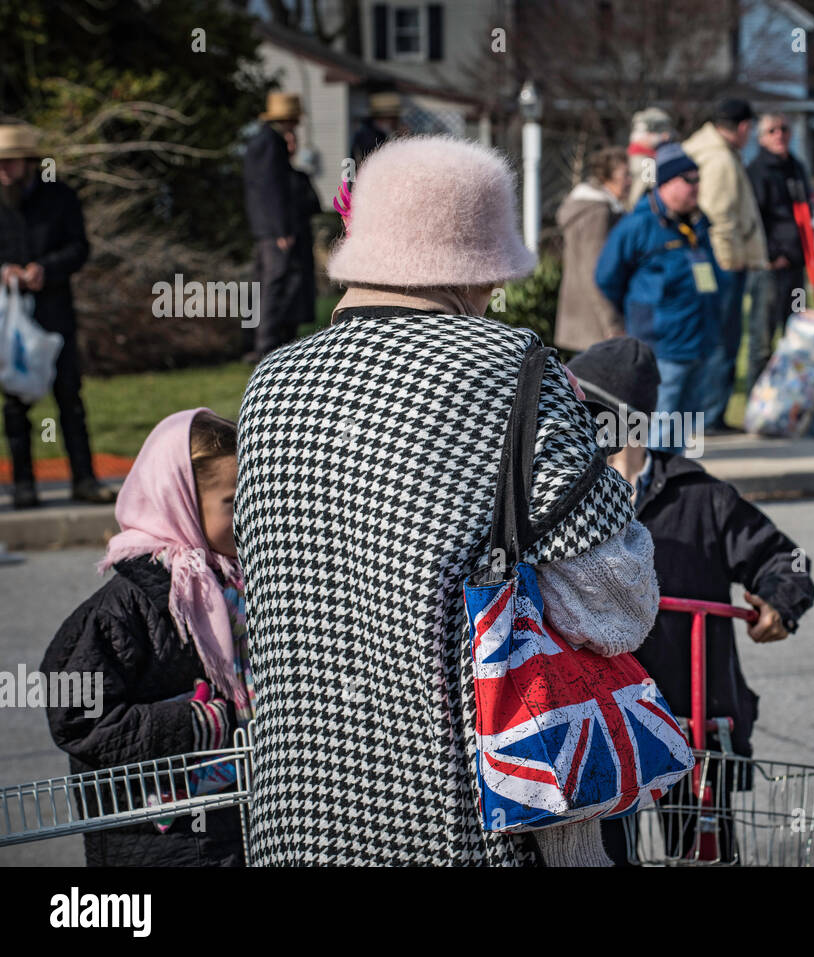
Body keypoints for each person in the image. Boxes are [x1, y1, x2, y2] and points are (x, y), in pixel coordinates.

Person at [236, 135, 657, 866]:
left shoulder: (270, 384)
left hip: (294, 819)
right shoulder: (510, 367)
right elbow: (618, 602)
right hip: (467, 812)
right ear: (482, 262)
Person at [563, 337, 814, 864]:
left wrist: (778, 600)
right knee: (608, 854)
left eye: (581, 413)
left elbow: (786, 559)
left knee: (703, 854)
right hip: (602, 722)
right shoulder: (564, 502)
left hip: (694, 720)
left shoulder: (701, 497)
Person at [41, 409, 249, 866]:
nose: (251, 517)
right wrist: (198, 722)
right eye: (234, 503)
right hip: (158, 843)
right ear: (179, 502)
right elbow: (78, 718)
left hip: (236, 828)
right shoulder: (124, 607)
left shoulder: (236, 585)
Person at [0, 122, 115, 509]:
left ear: (29, 162)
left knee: (69, 396)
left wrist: (45, 269)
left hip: (55, 311)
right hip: (10, 320)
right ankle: (24, 485)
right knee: (15, 404)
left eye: (10, 162)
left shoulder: (59, 197)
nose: (3, 170)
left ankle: (83, 479)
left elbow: (79, 248)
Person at [595, 142, 720, 456]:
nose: (697, 186)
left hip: (698, 343)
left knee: (686, 434)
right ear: (666, 183)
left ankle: (673, 496)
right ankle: (650, 497)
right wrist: (639, 317)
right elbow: (607, 278)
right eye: (688, 180)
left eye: (698, 178)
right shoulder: (638, 226)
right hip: (662, 347)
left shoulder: (697, 224)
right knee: (660, 432)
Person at [683, 99, 768, 435]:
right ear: (744, 127)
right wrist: (729, 264)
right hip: (723, 265)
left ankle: (708, 412)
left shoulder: (707, 150)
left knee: (716, 337)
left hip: (712, 265)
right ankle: (711, 414)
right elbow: (719, 218)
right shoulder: (719, 160)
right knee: (723, 339)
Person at [746, 111, 814, 391]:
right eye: (772, 130)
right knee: (763, 336)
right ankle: (757, 398)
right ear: (761, 138)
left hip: (797, 266)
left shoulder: (796, 167)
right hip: (770, 269)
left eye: (784, 129)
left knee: (795, 335)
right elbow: (755, 219)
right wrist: (773, 255)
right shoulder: (757, 171)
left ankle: (789, 398)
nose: (779, 135)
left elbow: (805, 211)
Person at [241, 91, 305, 364]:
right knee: (274, 283)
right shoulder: (271, 143)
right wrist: (281, 229)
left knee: (265, 282)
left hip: (263, 225)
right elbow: (272, 189)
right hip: (272, 227)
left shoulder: (259, 140)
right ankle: (265, 344)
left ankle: (259, 340)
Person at [555, 146, 630, 352]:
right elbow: (595, 270)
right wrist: (612, 324)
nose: (630, 181)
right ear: (606, 177)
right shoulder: (597, 213)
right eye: (625, 175)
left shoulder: (594, 207)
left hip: (584, 317)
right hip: (595, 323)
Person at [283, 128, 321, 336]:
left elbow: (315, 204)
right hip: (284, 239)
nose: (291, 146)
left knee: (299, 289)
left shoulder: (300, 176)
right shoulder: (277, 179)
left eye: (293, 141)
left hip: (301, 238)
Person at [626, 107, 675, 211]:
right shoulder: (647, 163)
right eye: (660, 131)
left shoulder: (634, 157)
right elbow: (637, 199)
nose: (666, 136)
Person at [350, 91, 403, 164]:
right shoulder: (368, 136)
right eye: (394, 118)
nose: (396, 121)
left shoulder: (376, 133)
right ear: (383, 118)